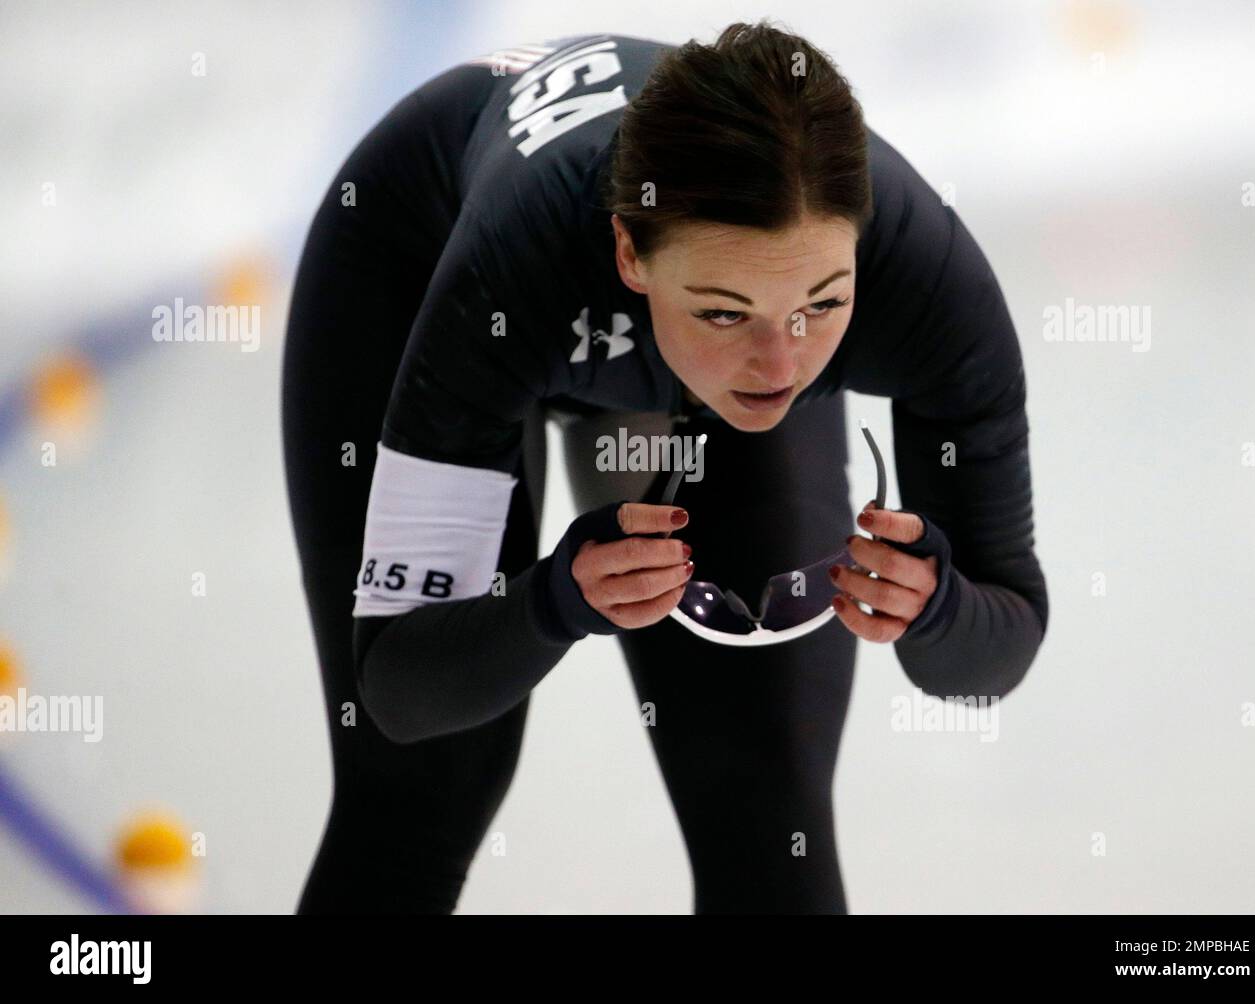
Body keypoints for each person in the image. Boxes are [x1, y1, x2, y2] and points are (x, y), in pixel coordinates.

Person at [280, 20, 1049, 914]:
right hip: (418, 258)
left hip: (640, 336)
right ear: (629, 257)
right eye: (726, 313)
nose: (780, 366)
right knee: (422, 793)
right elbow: (401, 692)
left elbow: (996, 652)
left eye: (823, 304)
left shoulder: (926, 287)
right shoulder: (512, 266)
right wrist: (554, 600)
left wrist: (938, 605)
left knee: (768, 806)